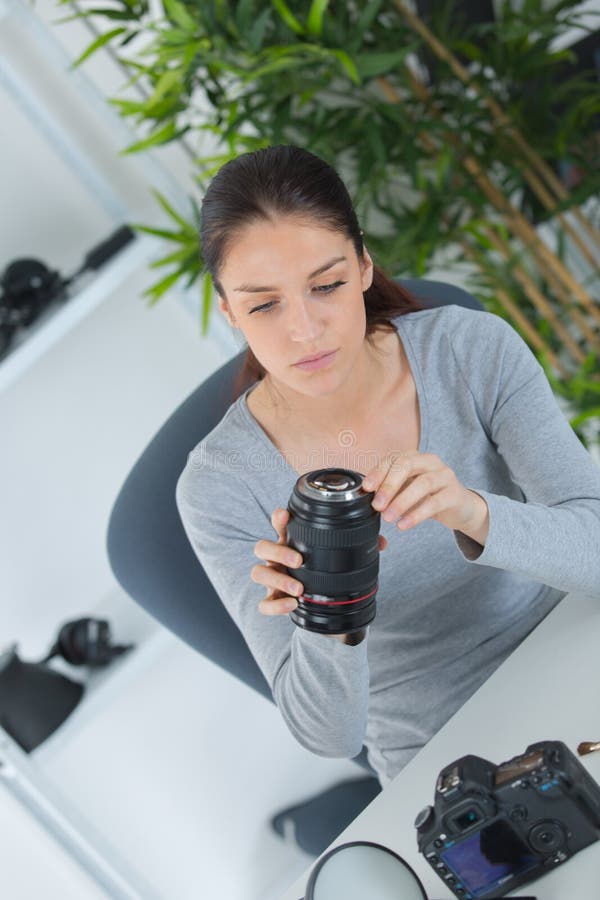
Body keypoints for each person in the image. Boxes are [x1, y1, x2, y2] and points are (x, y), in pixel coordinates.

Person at [175, 144, 600, 790]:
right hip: (444, 753)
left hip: (569, 654)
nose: (305, 329)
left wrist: (472, 512)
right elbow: (329, 736)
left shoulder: (468, 350)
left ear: (365, 265)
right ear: (230, 310)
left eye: (326, 285)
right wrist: (328, 604)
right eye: (264, 305)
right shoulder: (219, 485)